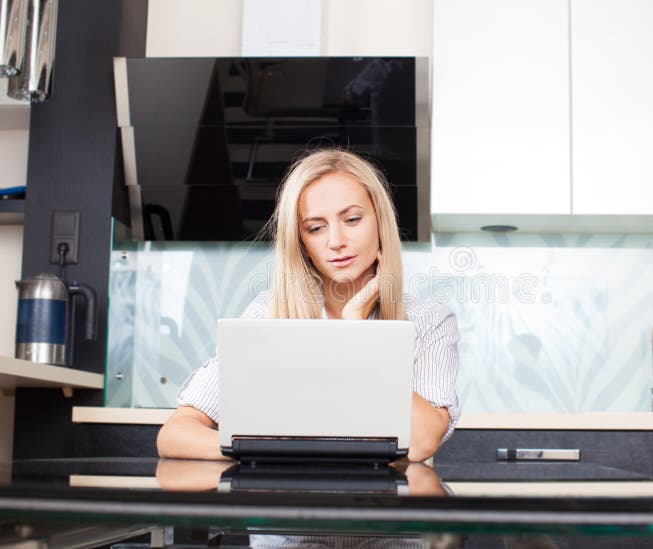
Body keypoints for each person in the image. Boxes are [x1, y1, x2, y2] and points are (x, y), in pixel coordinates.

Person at [156, 149, 460, 463]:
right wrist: (270, 455)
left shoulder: (429, 321)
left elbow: (422, 441)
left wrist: (356, 333)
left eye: (352, 219)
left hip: (381, 505)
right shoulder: (268, 315)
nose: (336, 241)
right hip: (285, 501)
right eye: (316, 228)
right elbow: (175, 434)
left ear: (380, 223)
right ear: (302, 243)